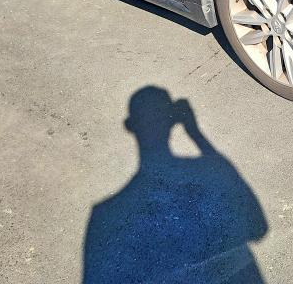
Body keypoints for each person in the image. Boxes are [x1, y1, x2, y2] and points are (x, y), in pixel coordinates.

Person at [82, 87, 267, 284]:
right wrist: (194, 133)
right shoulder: (206, 175)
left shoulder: (104, 215)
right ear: (173, 120)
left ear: (130, 125)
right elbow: (258, 228)